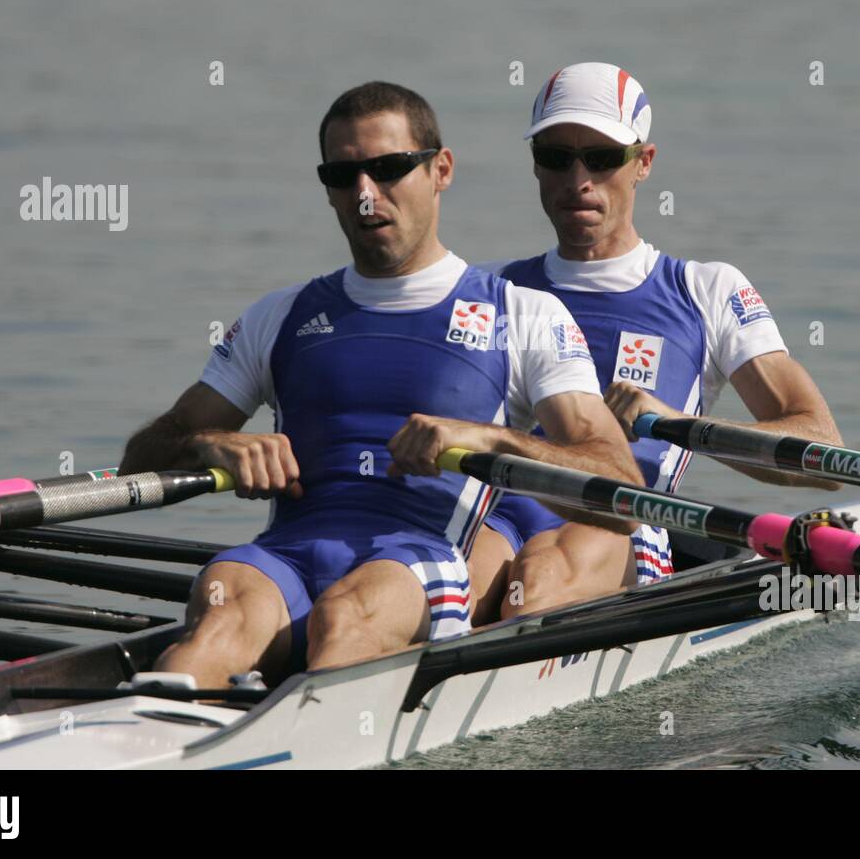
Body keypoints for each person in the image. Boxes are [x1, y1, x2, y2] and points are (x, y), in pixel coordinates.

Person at [119, 81, 641, 688]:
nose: (366, 196)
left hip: (417, 562)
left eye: (389, 169)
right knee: (217, 615)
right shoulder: (279, 315)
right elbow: (142, 458)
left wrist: (492, 440)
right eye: (344, 176)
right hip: (283, 556)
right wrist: (206, 444)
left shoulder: (524, 316)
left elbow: (622, 492)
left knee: (348, 617)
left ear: (441, 170)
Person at [476, 62, 843, 620]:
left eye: (601, 159)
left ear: (643, 163)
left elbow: (823, 454)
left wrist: (678, 423)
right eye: (556, 157)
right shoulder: (492, 291)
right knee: (452, 579)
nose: (579, 180)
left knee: (540, 577)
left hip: (622, 518)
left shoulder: (706, 290)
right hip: (498, 515)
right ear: (535, 164)